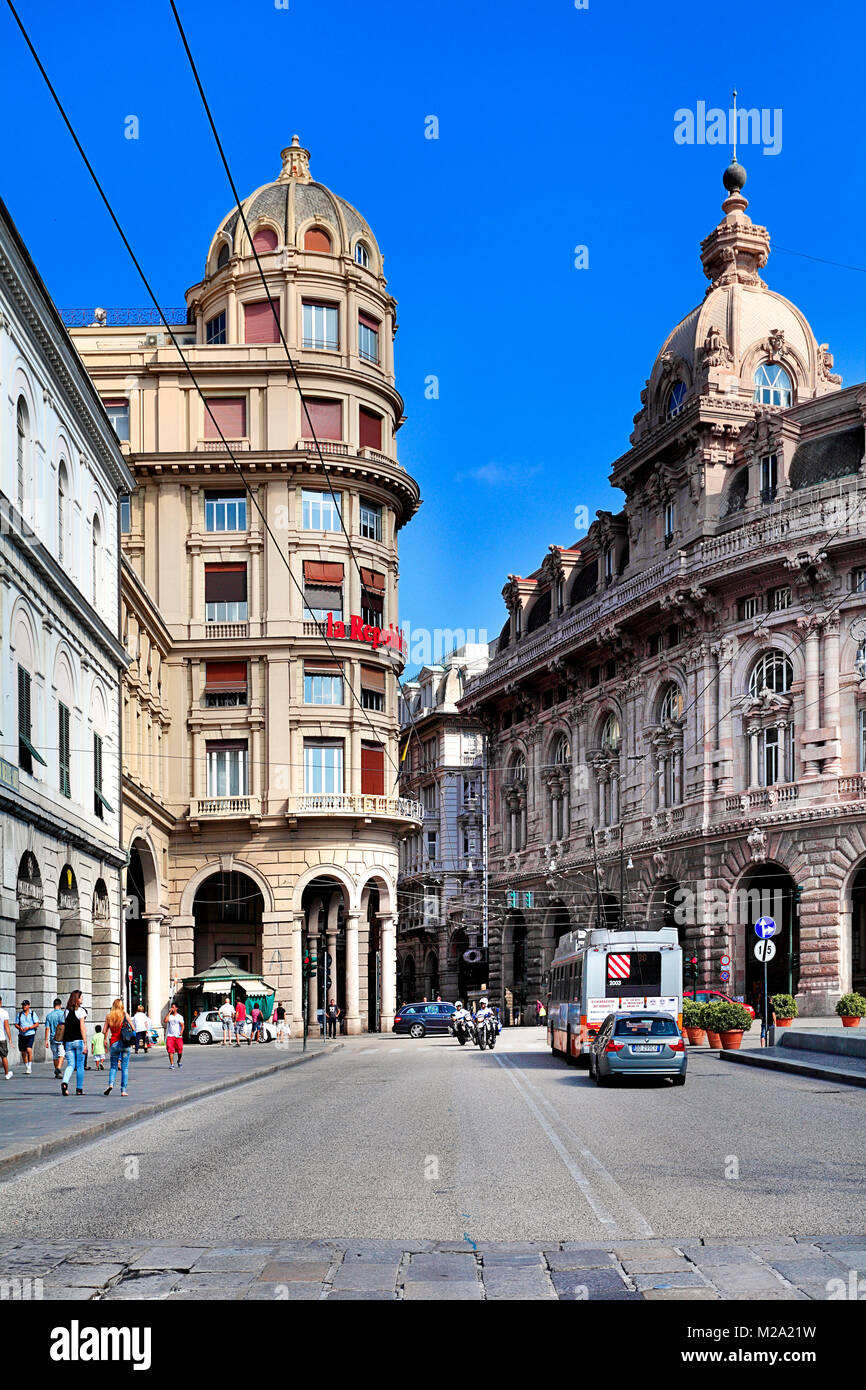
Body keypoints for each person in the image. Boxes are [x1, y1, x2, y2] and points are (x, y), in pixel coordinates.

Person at [103, 997, 134, 1095]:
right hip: (125, 1043)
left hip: (114, 1043)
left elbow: (104, 1031)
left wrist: (105, 1039)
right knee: (124, 1068)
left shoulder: (109, 1016)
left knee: (113, 1066)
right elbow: (133, 1028)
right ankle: (123, 1090)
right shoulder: (125, 1015)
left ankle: (111, 1084)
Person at [60, 991, 88, 1096]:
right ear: (77, 999)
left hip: (68, 1042)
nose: (82, 999)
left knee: (70, 1065)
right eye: (81, 997)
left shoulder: (66, 1011)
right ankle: (79, 1089)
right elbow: (82, 1028)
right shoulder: (81, 1011)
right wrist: (85, 1043)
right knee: (80, 1066)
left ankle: (65, 1082)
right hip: (79, 1041)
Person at [15, 1000, 40, 1075]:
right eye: (23, 1005)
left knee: (28, 1049)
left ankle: (29, 1066)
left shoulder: (32, 1014)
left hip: (30, 1034)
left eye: (25, 1005)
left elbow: (37, 1024)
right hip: (22, 1034)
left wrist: (29, 1028)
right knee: (23, 1052)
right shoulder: (19, 1014)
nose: (24, 1006)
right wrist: (20, 1028)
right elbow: (16, 1024)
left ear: (29, 1006)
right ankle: (26, 1066)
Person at [44, 997, 66, 1078]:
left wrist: (46, 1040)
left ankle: (57, 1070)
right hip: (61, 1038)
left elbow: (47, 1028)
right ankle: (59, 1069)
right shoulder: (63, 1014)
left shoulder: (49, 1016)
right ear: (60, 1005)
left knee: (55, 1055)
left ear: (54, 1005)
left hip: (52, 1038)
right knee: (62, 1054)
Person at [164, 1003, 185, 1067]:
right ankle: (172, 1064)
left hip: (178, 1036)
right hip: (170, 1036)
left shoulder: (180, 1017)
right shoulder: (170, 1016)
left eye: (173, 1007)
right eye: (171, 1007)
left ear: (176, 1008)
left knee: (180, 1050)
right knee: (170, 1050)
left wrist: (181, 1032)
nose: (172, 1008)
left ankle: (179, 1061)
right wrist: (169, 1013)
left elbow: (182, 1026)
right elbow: (165, 1020)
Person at [0, 995, 13, 1080]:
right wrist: (10, 1039)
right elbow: (6, 1027)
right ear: (0, 1002)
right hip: (1, 1037)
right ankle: (7, 1073)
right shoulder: (4, 1012)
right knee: (4, 1056)